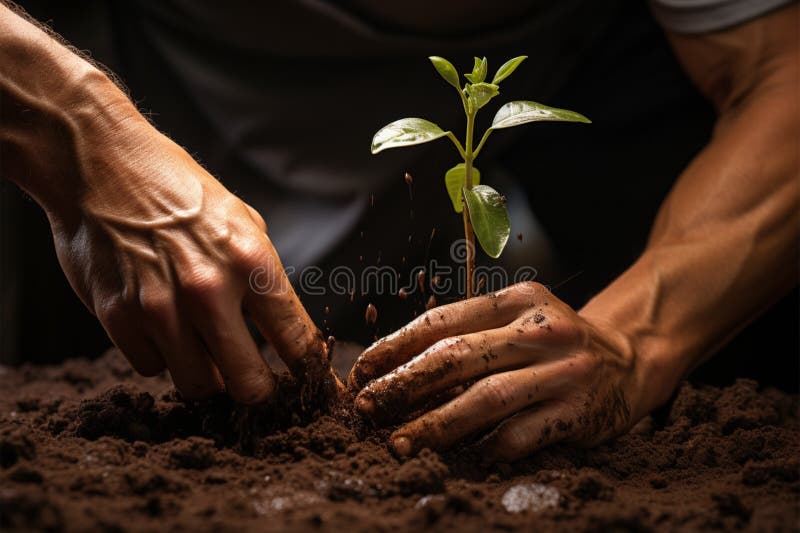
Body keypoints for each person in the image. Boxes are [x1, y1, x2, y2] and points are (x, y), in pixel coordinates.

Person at [1, 1, 797, 460]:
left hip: (422, 204)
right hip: (87, 123)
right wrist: (86, 132)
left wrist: (636, 336)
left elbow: (778, 68)